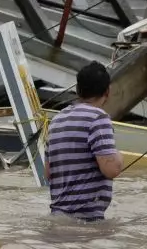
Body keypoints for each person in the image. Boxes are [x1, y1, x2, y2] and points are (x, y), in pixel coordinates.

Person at [43, 61, 123, 222]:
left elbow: (48, 173)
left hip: (58, 218)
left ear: (78, 90)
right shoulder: (99, 118)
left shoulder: (57, 120)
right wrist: (119, 157)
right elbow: (111, 169)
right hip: (85, 222)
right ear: (107, 91)